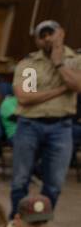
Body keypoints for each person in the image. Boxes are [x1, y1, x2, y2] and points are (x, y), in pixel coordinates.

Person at [10, 20, 80, 213]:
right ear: (37, 41)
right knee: (20, 180)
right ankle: (16, 223)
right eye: (42, 35)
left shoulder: (75, 60)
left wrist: (59, 63)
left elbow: (77, 86)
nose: (47, 38)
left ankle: (39, 225)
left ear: (62, 33)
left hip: (61, 127)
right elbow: (25, 97)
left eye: (51, 33)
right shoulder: (31, 64)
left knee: (54, 183)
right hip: (30, 125)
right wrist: (61, 90)